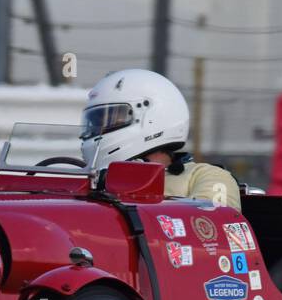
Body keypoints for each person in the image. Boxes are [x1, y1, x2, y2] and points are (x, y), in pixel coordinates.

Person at [79, 68, 241, 211]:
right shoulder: (90, 183)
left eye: (111, 119)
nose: (98, 129)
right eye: (95, 123)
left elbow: (210, 230)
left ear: (152, 116)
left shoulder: (206, 176)